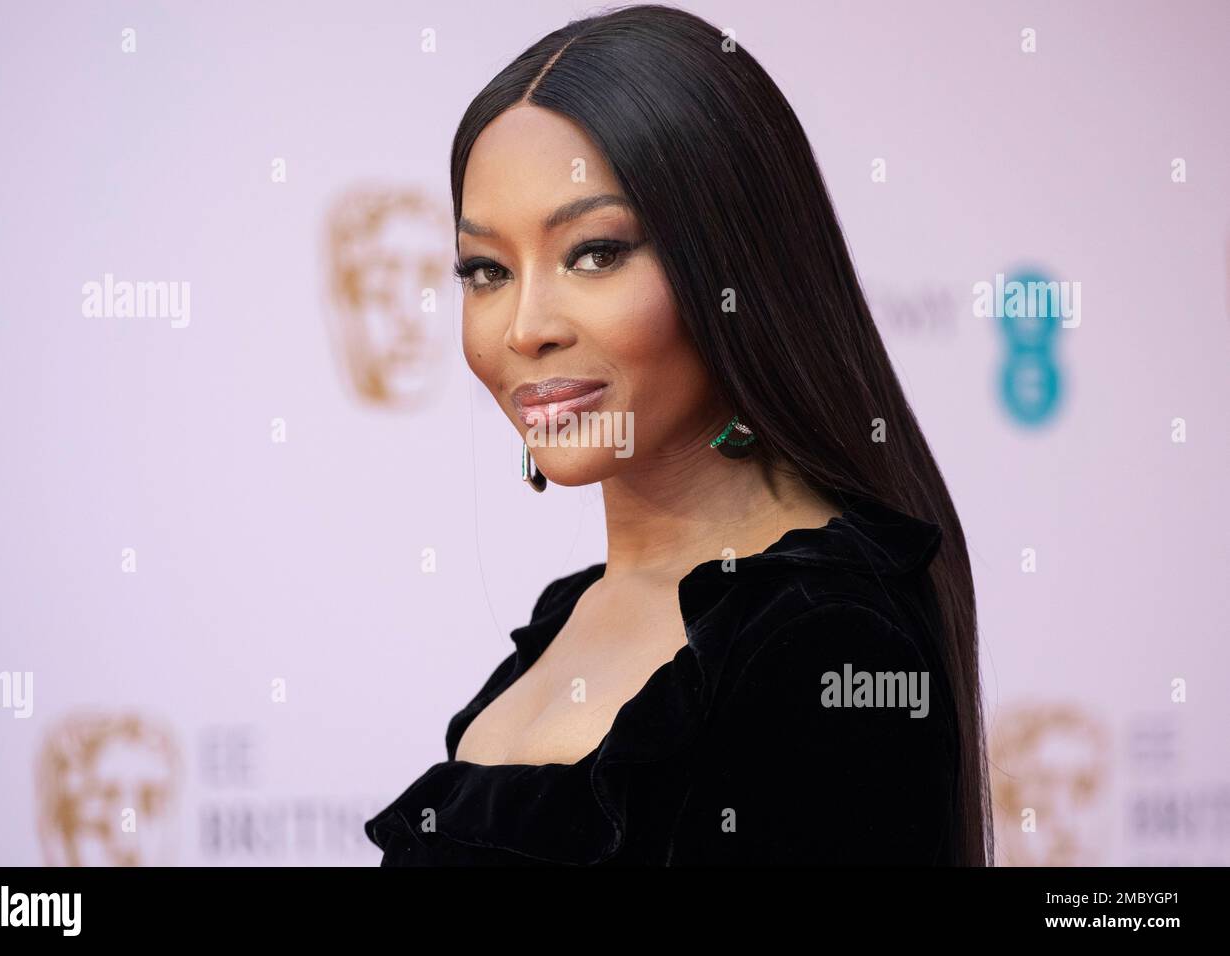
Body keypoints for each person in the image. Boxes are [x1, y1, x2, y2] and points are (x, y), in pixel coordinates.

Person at [365, 3, 991, 866]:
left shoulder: (825, 637)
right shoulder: (567, 618)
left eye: (593, 253)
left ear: (732, 264)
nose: (525, 327)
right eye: (487, 270)